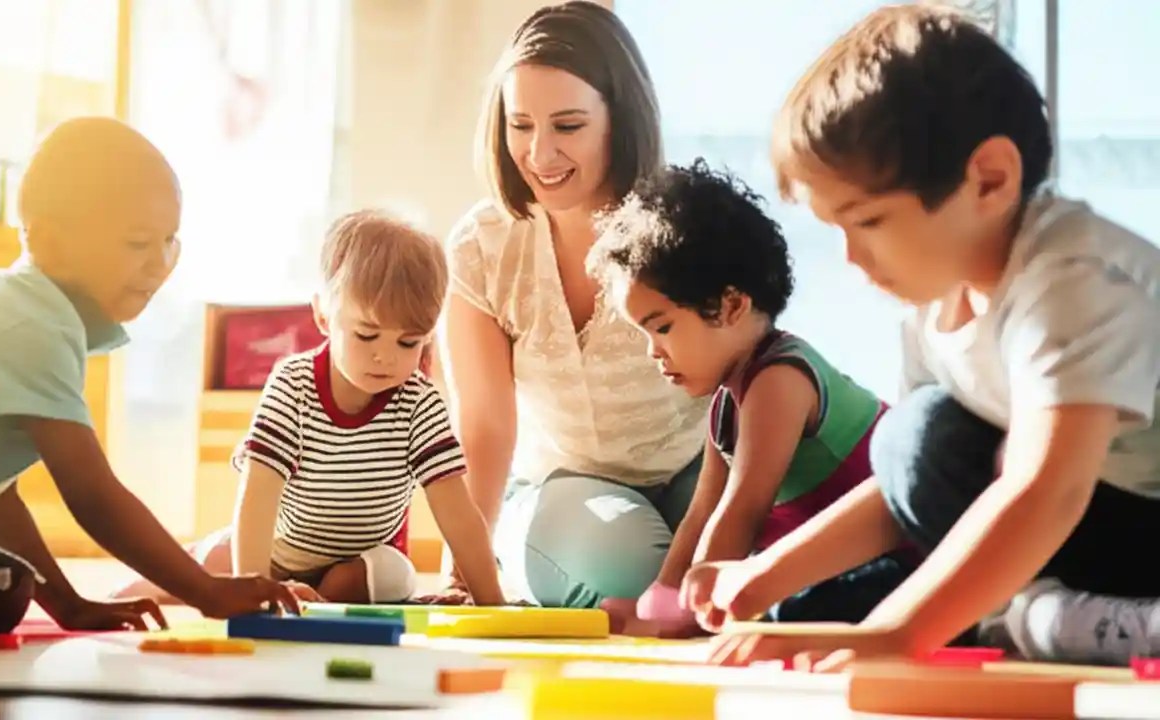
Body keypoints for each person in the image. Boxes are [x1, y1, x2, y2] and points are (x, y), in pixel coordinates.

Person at [697, 4, 1160, 669]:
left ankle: (1052, 620)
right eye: (836, 228)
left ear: (989, 180)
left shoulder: (1073, 278)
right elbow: (903, 487)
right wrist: (765, 573)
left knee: (912, 499)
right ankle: (1052, 619)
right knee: (914, 437)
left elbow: (1046, 488)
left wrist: (895, 637)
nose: (851, 259)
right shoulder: (935, 304)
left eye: (869, 221)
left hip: (1119, 515)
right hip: (1099, 526)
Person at [0, 117, 298, 638]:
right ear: (51, 245)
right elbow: (91, 492)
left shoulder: (42, 321)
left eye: (170, 240)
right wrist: (205, 590)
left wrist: (67, 604)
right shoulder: (27, 324)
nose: (160, 263)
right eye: (138, 243)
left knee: (6, 588)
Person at [439, 0, 709, 611]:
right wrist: (463, 573)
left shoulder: (684, 225)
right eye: (520, 124)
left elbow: (748, 381)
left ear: (620, 118)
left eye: (567, 126)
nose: (539, 154)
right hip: (567, 488)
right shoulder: (483, 246)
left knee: (761, 563)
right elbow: (483, 426)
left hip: (699, 468)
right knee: (631, 570)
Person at [114, 211, 507, 606]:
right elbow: (257, 495)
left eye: (409, 343)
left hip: (359, 561)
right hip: (277, 550)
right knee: (193, 576)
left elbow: (459, 513)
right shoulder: (294, 385)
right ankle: (150, 588)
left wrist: (493, 603)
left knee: (389, 575)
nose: (385, 357)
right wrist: (256, 584)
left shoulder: (418, 403)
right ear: (322, 315)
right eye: (366, 335)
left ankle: (317, 598)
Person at [587, 159, 908, 634]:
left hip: (900, 558)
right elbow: (704, 512)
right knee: (789, 606)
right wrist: (657, 602)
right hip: (831, 566)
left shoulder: (780, 380)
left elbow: (742, 512)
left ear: (732, 305)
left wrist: (689, 620)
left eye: (663, 328)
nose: (654, 352)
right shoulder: (725, 403)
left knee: (799, 613)